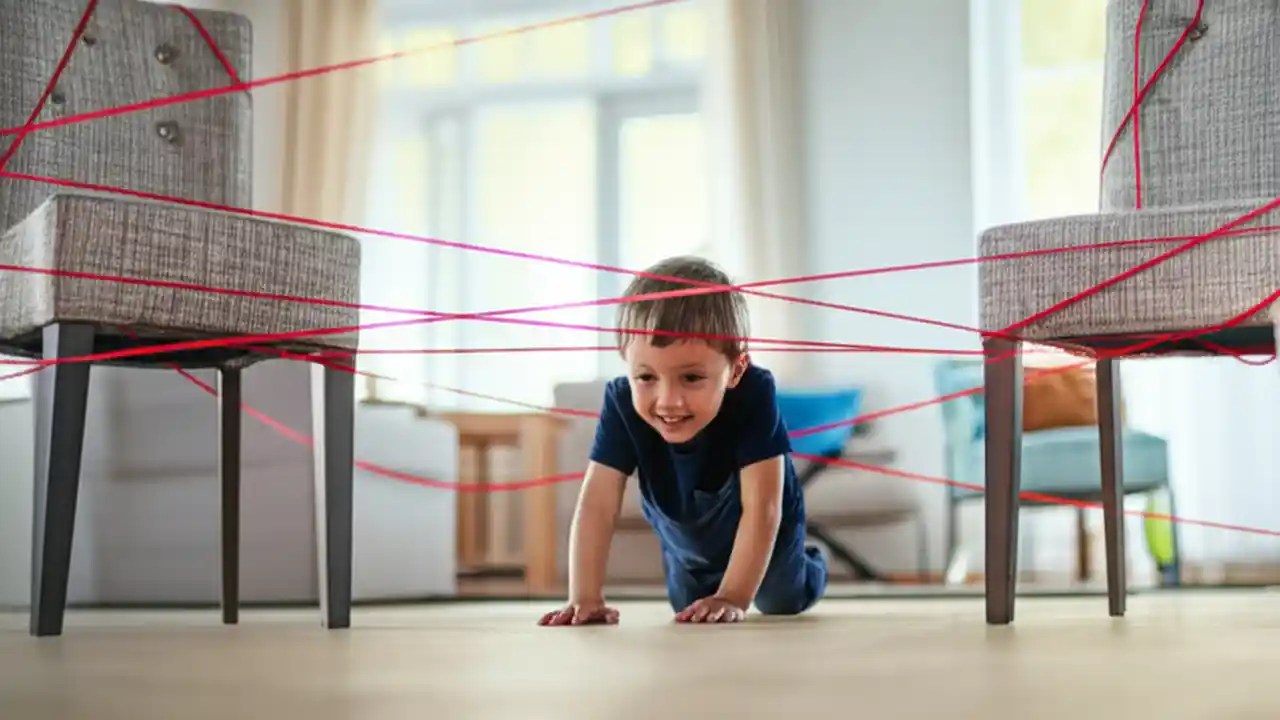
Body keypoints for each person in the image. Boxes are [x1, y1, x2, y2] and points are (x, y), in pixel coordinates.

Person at [538, 255, 828, 626]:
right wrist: (585, 596)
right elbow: (597, 503)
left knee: (781, 599)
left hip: (759, 516)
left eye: (691, 378)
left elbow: (763, 507)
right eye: (646, 377)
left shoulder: (754, 391)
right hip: (685, 529)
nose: (668, 400)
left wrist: (733, 597)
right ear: (625, 362)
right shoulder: (621, 402)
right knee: (688, 609)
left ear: (735, 369)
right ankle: (709, 578)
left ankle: (812, 565)